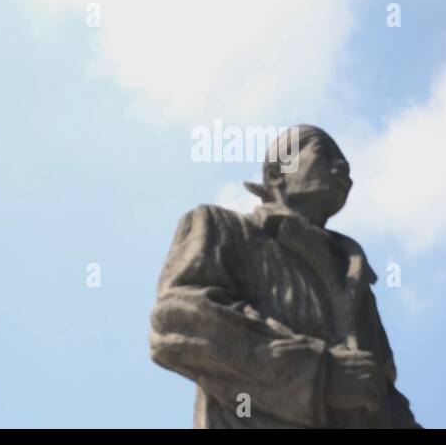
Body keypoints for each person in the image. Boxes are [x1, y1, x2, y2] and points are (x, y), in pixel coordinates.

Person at [150, 125, 421, 428]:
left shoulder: (355, 277)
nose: (343, 165)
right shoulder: (223, 228)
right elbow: (177, 319)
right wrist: (317, 373)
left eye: (344, 160)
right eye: (323, 152)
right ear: (277, 173)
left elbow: (384, 395)